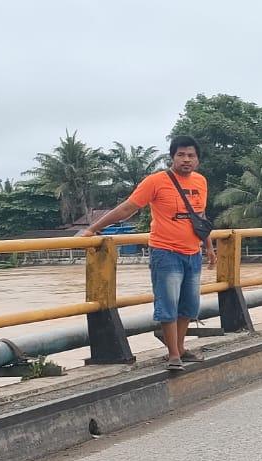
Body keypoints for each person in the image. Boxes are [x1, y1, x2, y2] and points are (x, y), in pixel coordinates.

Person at [78, 135, 213, 371]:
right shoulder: (156, 181)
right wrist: (92, 229)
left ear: (198, 160)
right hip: (166, 251)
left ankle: (180, 347)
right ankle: (173, 354)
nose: (186, 160)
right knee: (168, 303)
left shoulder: (200, 182)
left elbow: (200, 217)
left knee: (189, 306)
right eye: (180, 154)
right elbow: (128, 208)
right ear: (172, 157)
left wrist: (209, 246)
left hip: (193, 252)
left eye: (191, 155)